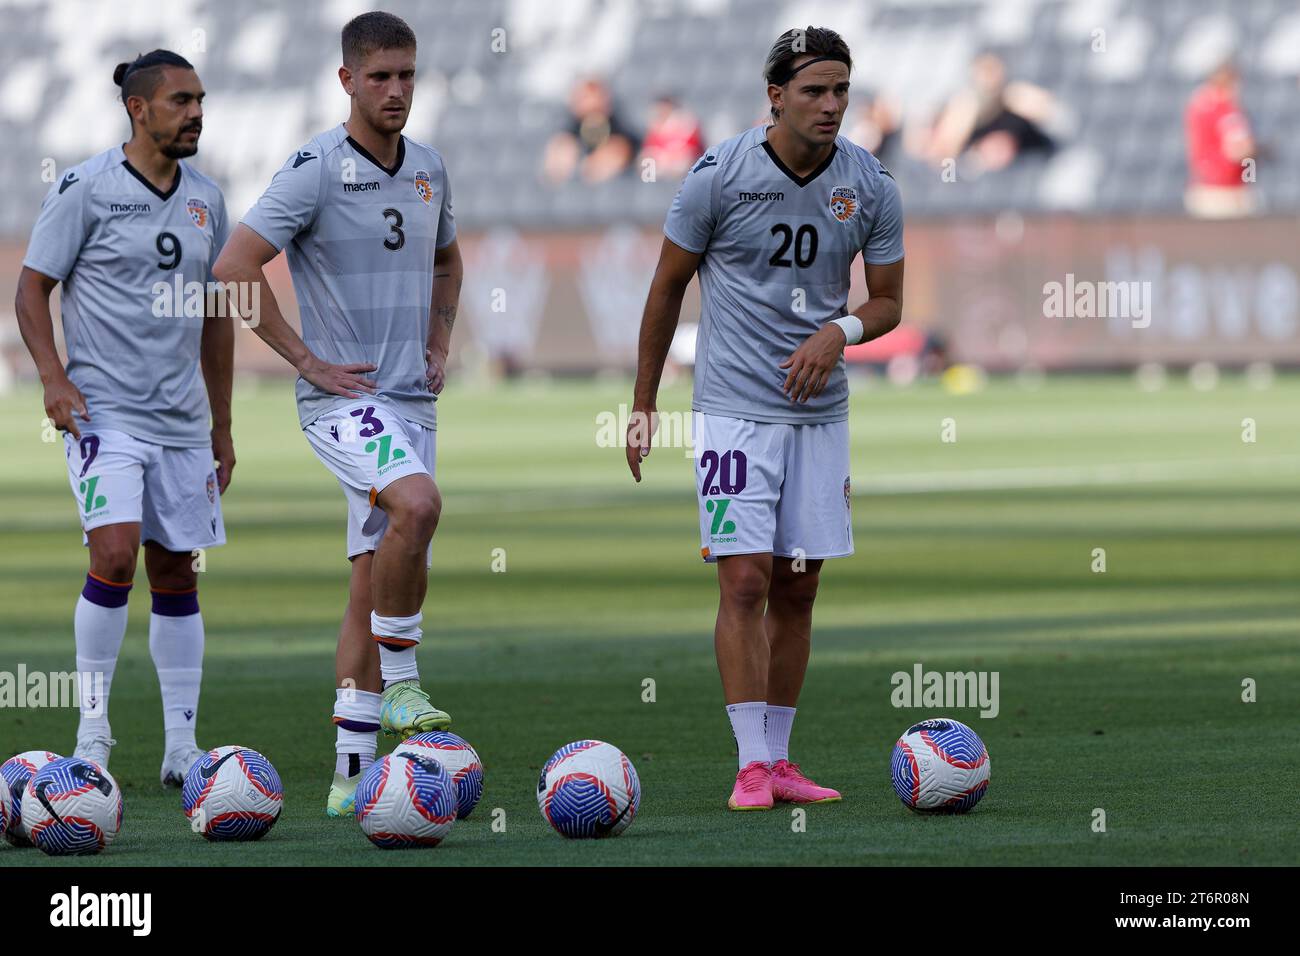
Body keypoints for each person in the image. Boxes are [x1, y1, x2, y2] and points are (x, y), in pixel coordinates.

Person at [626, 26, 905, 810]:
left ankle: (781, 761)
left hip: (821, 415)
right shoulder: (719, 175)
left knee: (800, 586)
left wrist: (839, 330)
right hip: (733, 413)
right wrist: (644, 404)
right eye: (814, 91)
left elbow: (887, 302)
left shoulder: (871, 184)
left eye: (842, 90)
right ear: (775, 95)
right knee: (744, 579)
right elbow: (665, 287)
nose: (831, 105)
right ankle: (750, 764)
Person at [212, 11, 461, 817]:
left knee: (369, 577)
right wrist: (305, 358)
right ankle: (404, 685)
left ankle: (351, 778)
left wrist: (439, 336)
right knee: (418, 504)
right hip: (343, 401)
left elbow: (449, 258)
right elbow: (234, 266)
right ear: (347, 79)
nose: (397, 91)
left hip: (410, 401)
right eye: (381, 76)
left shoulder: (429, 169)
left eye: (408, 75)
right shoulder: (315, 168)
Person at [14, 50, 232, 784]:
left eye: (200, 99)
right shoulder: (86, 188)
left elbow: (217, 317)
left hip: (181, 424)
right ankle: (94, 736)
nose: (196, 111)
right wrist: (52, 378)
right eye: (181, 100)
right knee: (113, 555)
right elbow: (31, 290)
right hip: (103, 413)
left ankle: (180, 749)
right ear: (138, 110)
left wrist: (222, 427)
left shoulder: (208, 199)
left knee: (176, 570)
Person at [1185, 60, 1256, 218]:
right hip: (1228, 192)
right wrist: (1256, 157)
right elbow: (1240, 151)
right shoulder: (1227, 110)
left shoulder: (1197, 105)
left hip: (1203, 186)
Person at [543, 78, 638, 184]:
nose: (591, 103)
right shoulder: (568, 137)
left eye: (595, 97)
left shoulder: (622, 133)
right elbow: (553, 173)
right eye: (584, 98)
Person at [640, 94, 705, 179]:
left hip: (686, 167)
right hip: (663, 167)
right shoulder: (655, 126)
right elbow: (650, 149)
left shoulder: (686, 124)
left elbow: (692, 149)